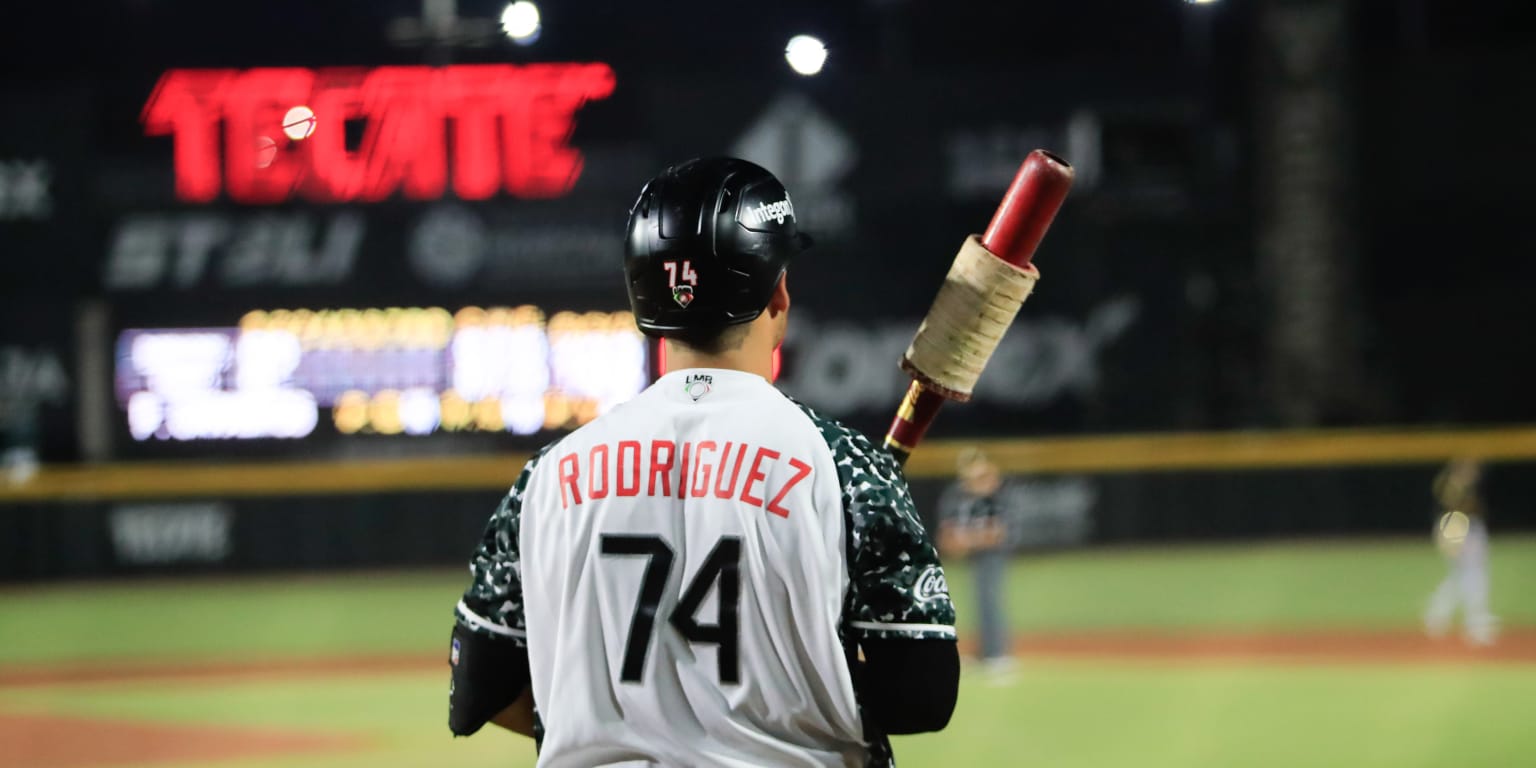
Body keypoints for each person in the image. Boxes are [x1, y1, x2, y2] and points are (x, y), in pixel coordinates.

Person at [447, 157, 959, 766]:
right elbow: (923, 696)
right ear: (778, 295)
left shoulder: (548, 477)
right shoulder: (842, 466)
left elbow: (478, 688)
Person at [938, 447, 1016, 678]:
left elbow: (997, 535)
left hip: (992, 556)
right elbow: (947, 540)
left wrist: (967, 540)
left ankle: (998, 654)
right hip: (974, 556)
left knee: (990, 600)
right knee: (979, 602)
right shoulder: (957, 497)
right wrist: (967, 541)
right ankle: (985, 653)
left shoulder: (996, 498)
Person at [1424, 457, 1499, 646]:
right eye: (1468, 469)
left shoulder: (1464, 487)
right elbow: (1452, 512)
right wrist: (1450, 542)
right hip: (1457, 527)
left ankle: (1438, 613)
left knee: (1463, 576)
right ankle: (1475, 622)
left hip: (1466, 528)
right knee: (1473, 575)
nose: (1474, 473)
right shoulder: (1452, 486)